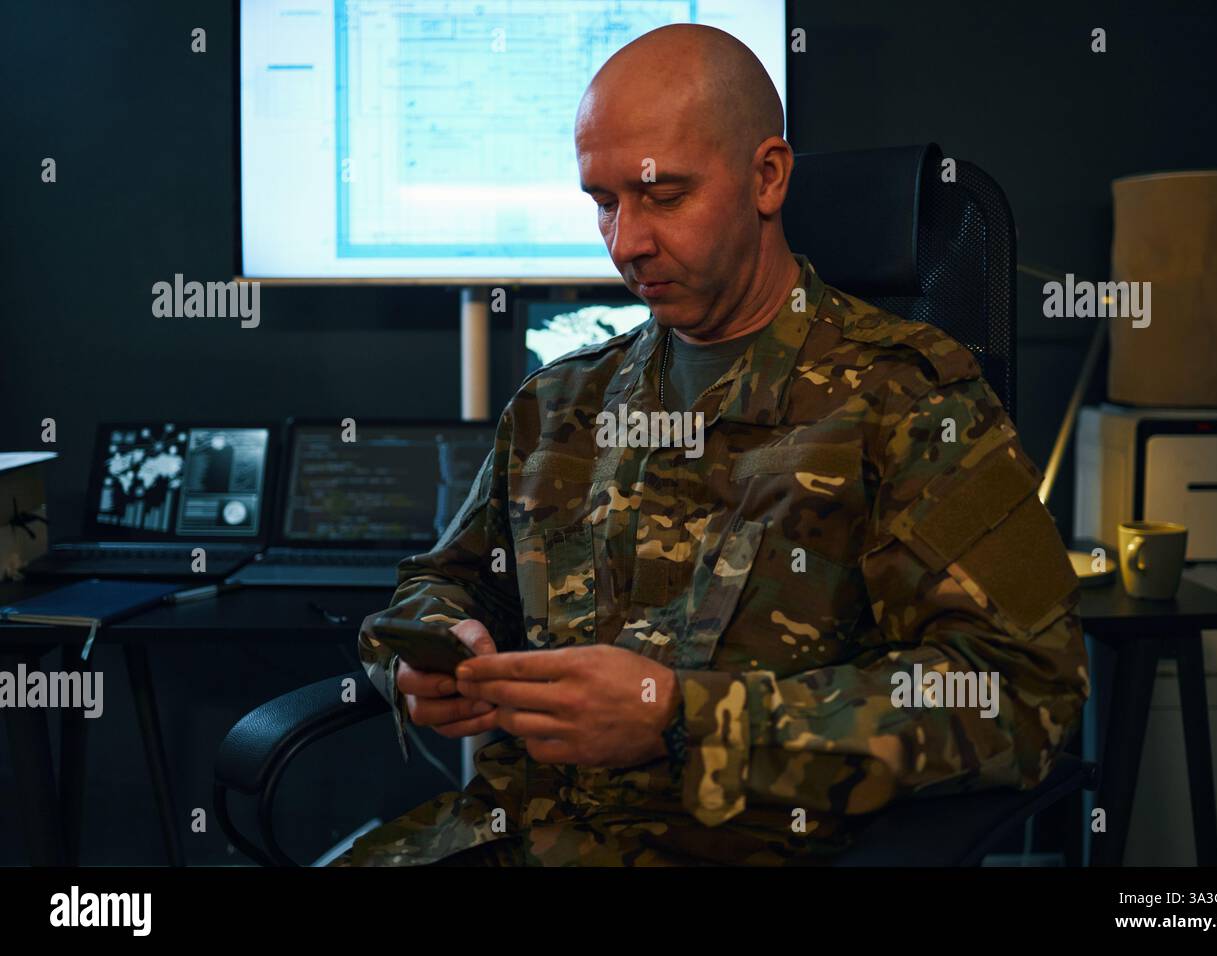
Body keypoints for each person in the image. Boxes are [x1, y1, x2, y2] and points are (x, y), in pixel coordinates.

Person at [333, 22, 1088, 867]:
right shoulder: (562, 402)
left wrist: (681, 713)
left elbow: (1022, 696)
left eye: (663, 196)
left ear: (767, 177)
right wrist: (430, 652)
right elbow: (446, 579)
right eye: (604, 202)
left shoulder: (906, 400)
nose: (627, 243)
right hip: (514, 836)